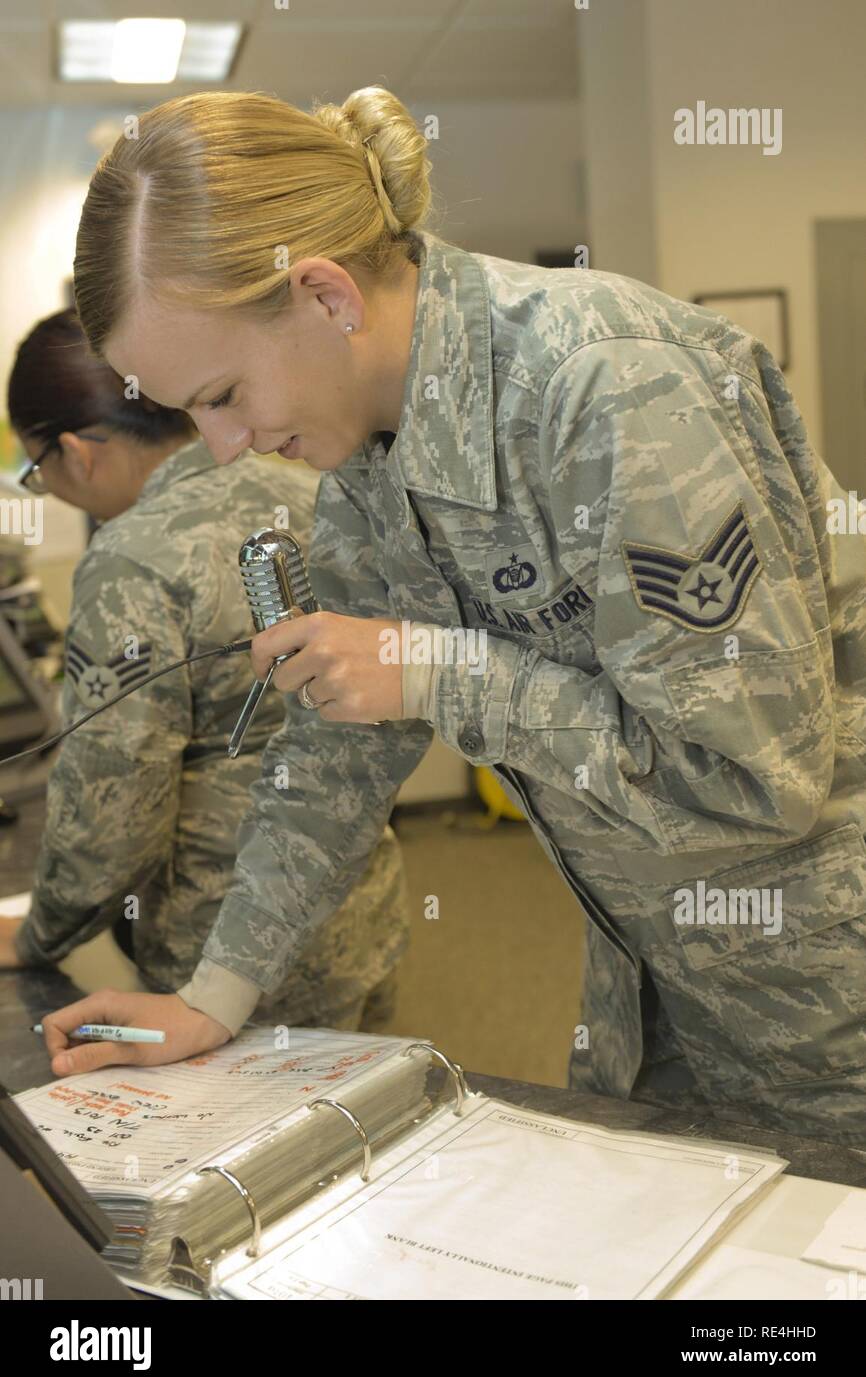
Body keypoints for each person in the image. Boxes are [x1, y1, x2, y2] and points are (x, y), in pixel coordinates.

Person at [43, 85, 866, 1147]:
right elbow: (336, 749)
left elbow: (755, 780)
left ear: (326, 298)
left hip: (828, 1011)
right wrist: (219, 994)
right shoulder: (360, 468)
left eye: (222, 394)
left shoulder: (611, 391)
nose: (224, 445)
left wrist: (440, 673)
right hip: (654, 991)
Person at [0, 308, 409, 1031]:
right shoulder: (307, 484)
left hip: (226, 956)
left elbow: (113, 810)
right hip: (358, 902)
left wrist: (38, 936)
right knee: (370, 1130)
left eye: (38, 472)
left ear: (76, 451)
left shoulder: (132, 559)